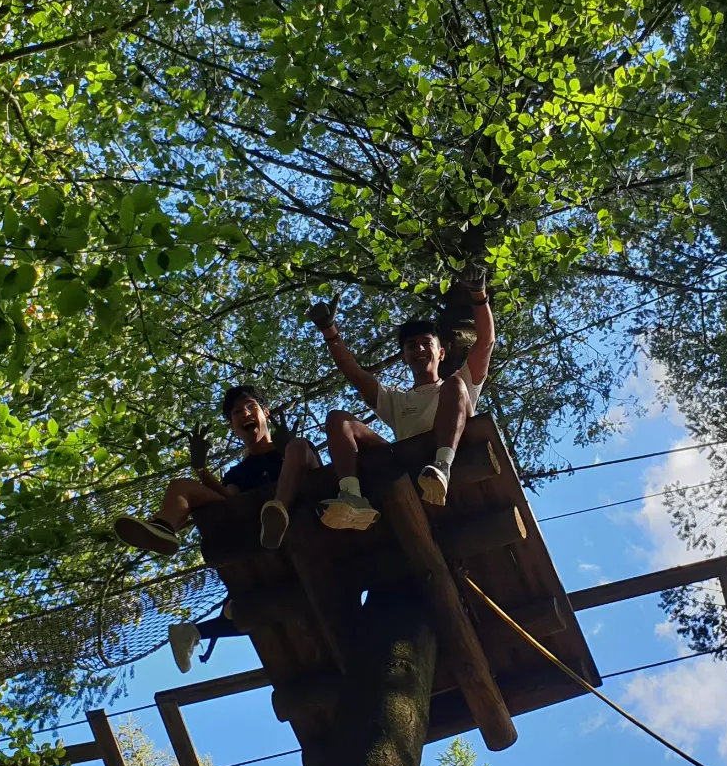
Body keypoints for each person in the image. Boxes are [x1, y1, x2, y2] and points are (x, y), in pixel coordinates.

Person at [112, 384, 320, 671]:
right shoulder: (236, 473)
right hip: (256, 532)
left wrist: (287, 449)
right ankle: (163, 528)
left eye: (250, 407)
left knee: (300, 448)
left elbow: (317, 477)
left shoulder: (293, 449)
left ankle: (279, 510)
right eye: (237, 412)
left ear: (265, 414)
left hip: (304, 523)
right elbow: (230, 503)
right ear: (232, 426)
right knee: (181, 486)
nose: (245, 413)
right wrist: (201, 470)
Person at [308, 264, 493, 530]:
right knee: (339, 419)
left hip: (448, 461)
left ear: (441, 353)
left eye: (426, 343)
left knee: (454, 385)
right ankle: (351, 496)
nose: (418, 349)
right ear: (404, 357)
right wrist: (330, 332)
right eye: (410, 346)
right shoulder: (397, 401)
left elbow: (485, 342)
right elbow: (356, 375)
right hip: (406, 464)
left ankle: (443, 466)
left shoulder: (460, 384)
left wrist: (479, 294)